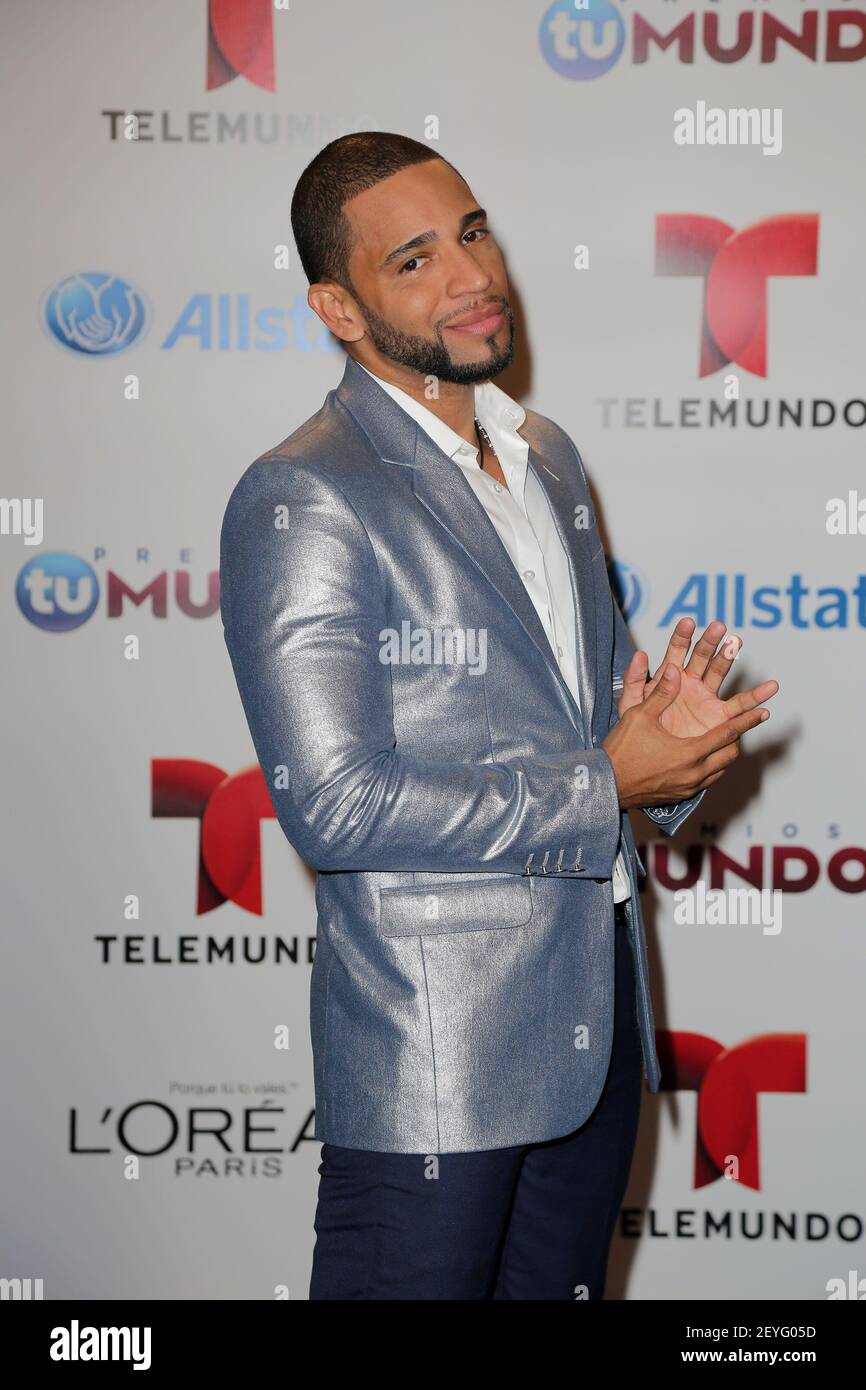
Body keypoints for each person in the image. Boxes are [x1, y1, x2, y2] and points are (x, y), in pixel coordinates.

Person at [219, 132, 778, 1300]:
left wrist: (666, 751)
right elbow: (334, 804)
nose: (471, 277)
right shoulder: (306, 491)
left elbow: (600, 736)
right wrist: (602, 783)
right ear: (340, 307)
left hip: (596, 1027)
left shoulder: (548, 458)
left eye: (471, 233)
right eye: (414, 260)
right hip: (438, 1064)